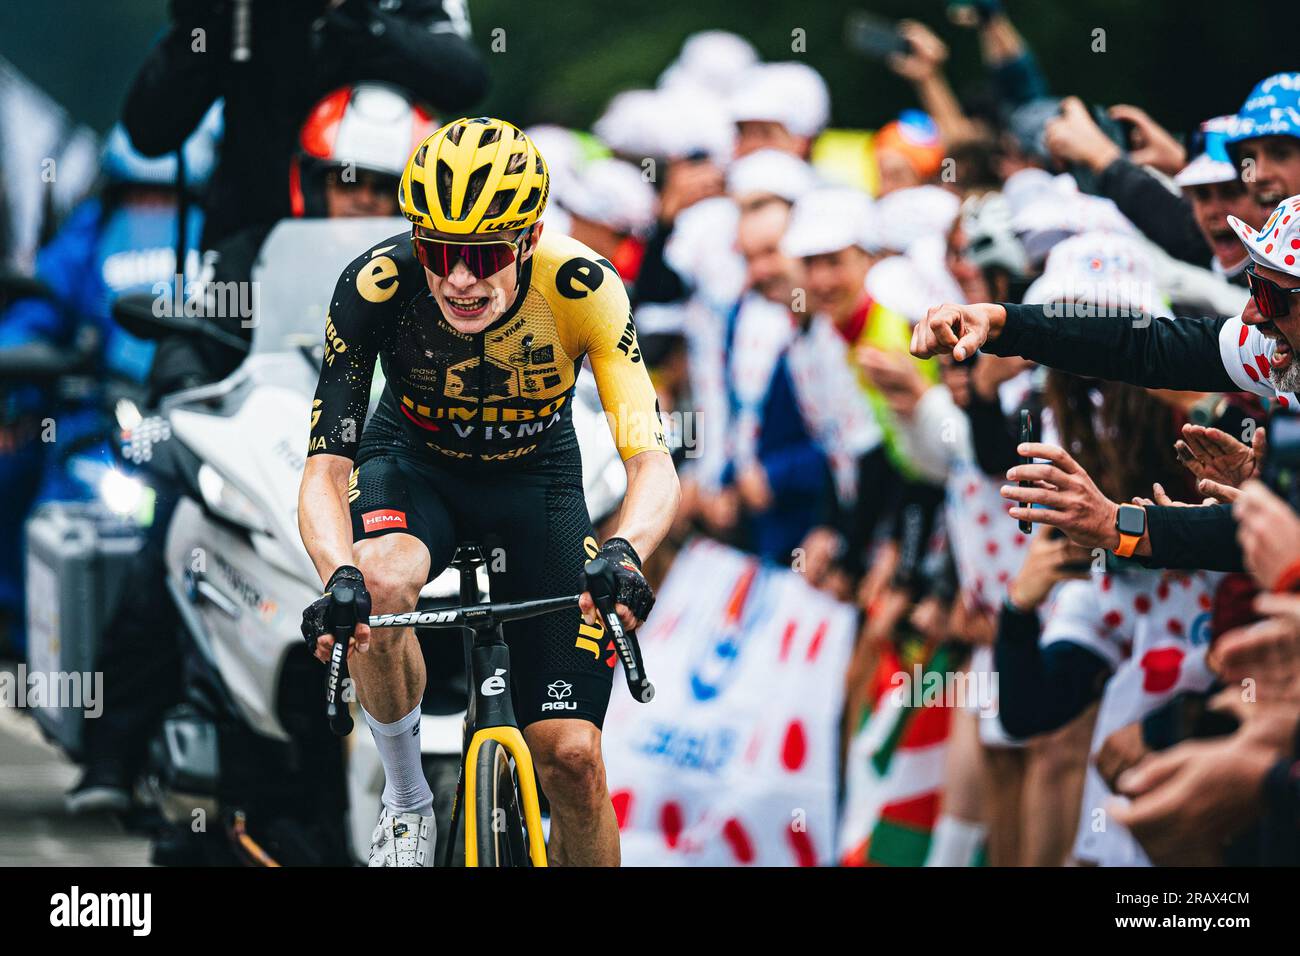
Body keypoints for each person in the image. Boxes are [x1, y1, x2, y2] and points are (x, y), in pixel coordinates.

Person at [297, 118, 679, 867]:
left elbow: (652, 463)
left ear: (530, 239)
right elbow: (325, 471)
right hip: (413, 466)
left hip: (535, 484)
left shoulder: (585, 287)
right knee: (379, 580)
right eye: (439, 252)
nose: (460, 279)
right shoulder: (375, 283)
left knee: (571, 759)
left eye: (483, 255)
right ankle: (407, 801)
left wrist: (628, 551)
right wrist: (337, 575)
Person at [909, 193, 1300, 570]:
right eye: (1252, 286)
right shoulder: (1277, 342)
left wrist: (1115, 525)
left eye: (1270, 296)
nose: (1250, 315)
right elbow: (1144, 347)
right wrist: (1001, 324)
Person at [122, 0, 488, 248]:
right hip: (250, 249)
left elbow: (463, 79)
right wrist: (207, 17)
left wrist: (349, 15)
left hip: (379, 247)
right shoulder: (238, 13)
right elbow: (150, 130)